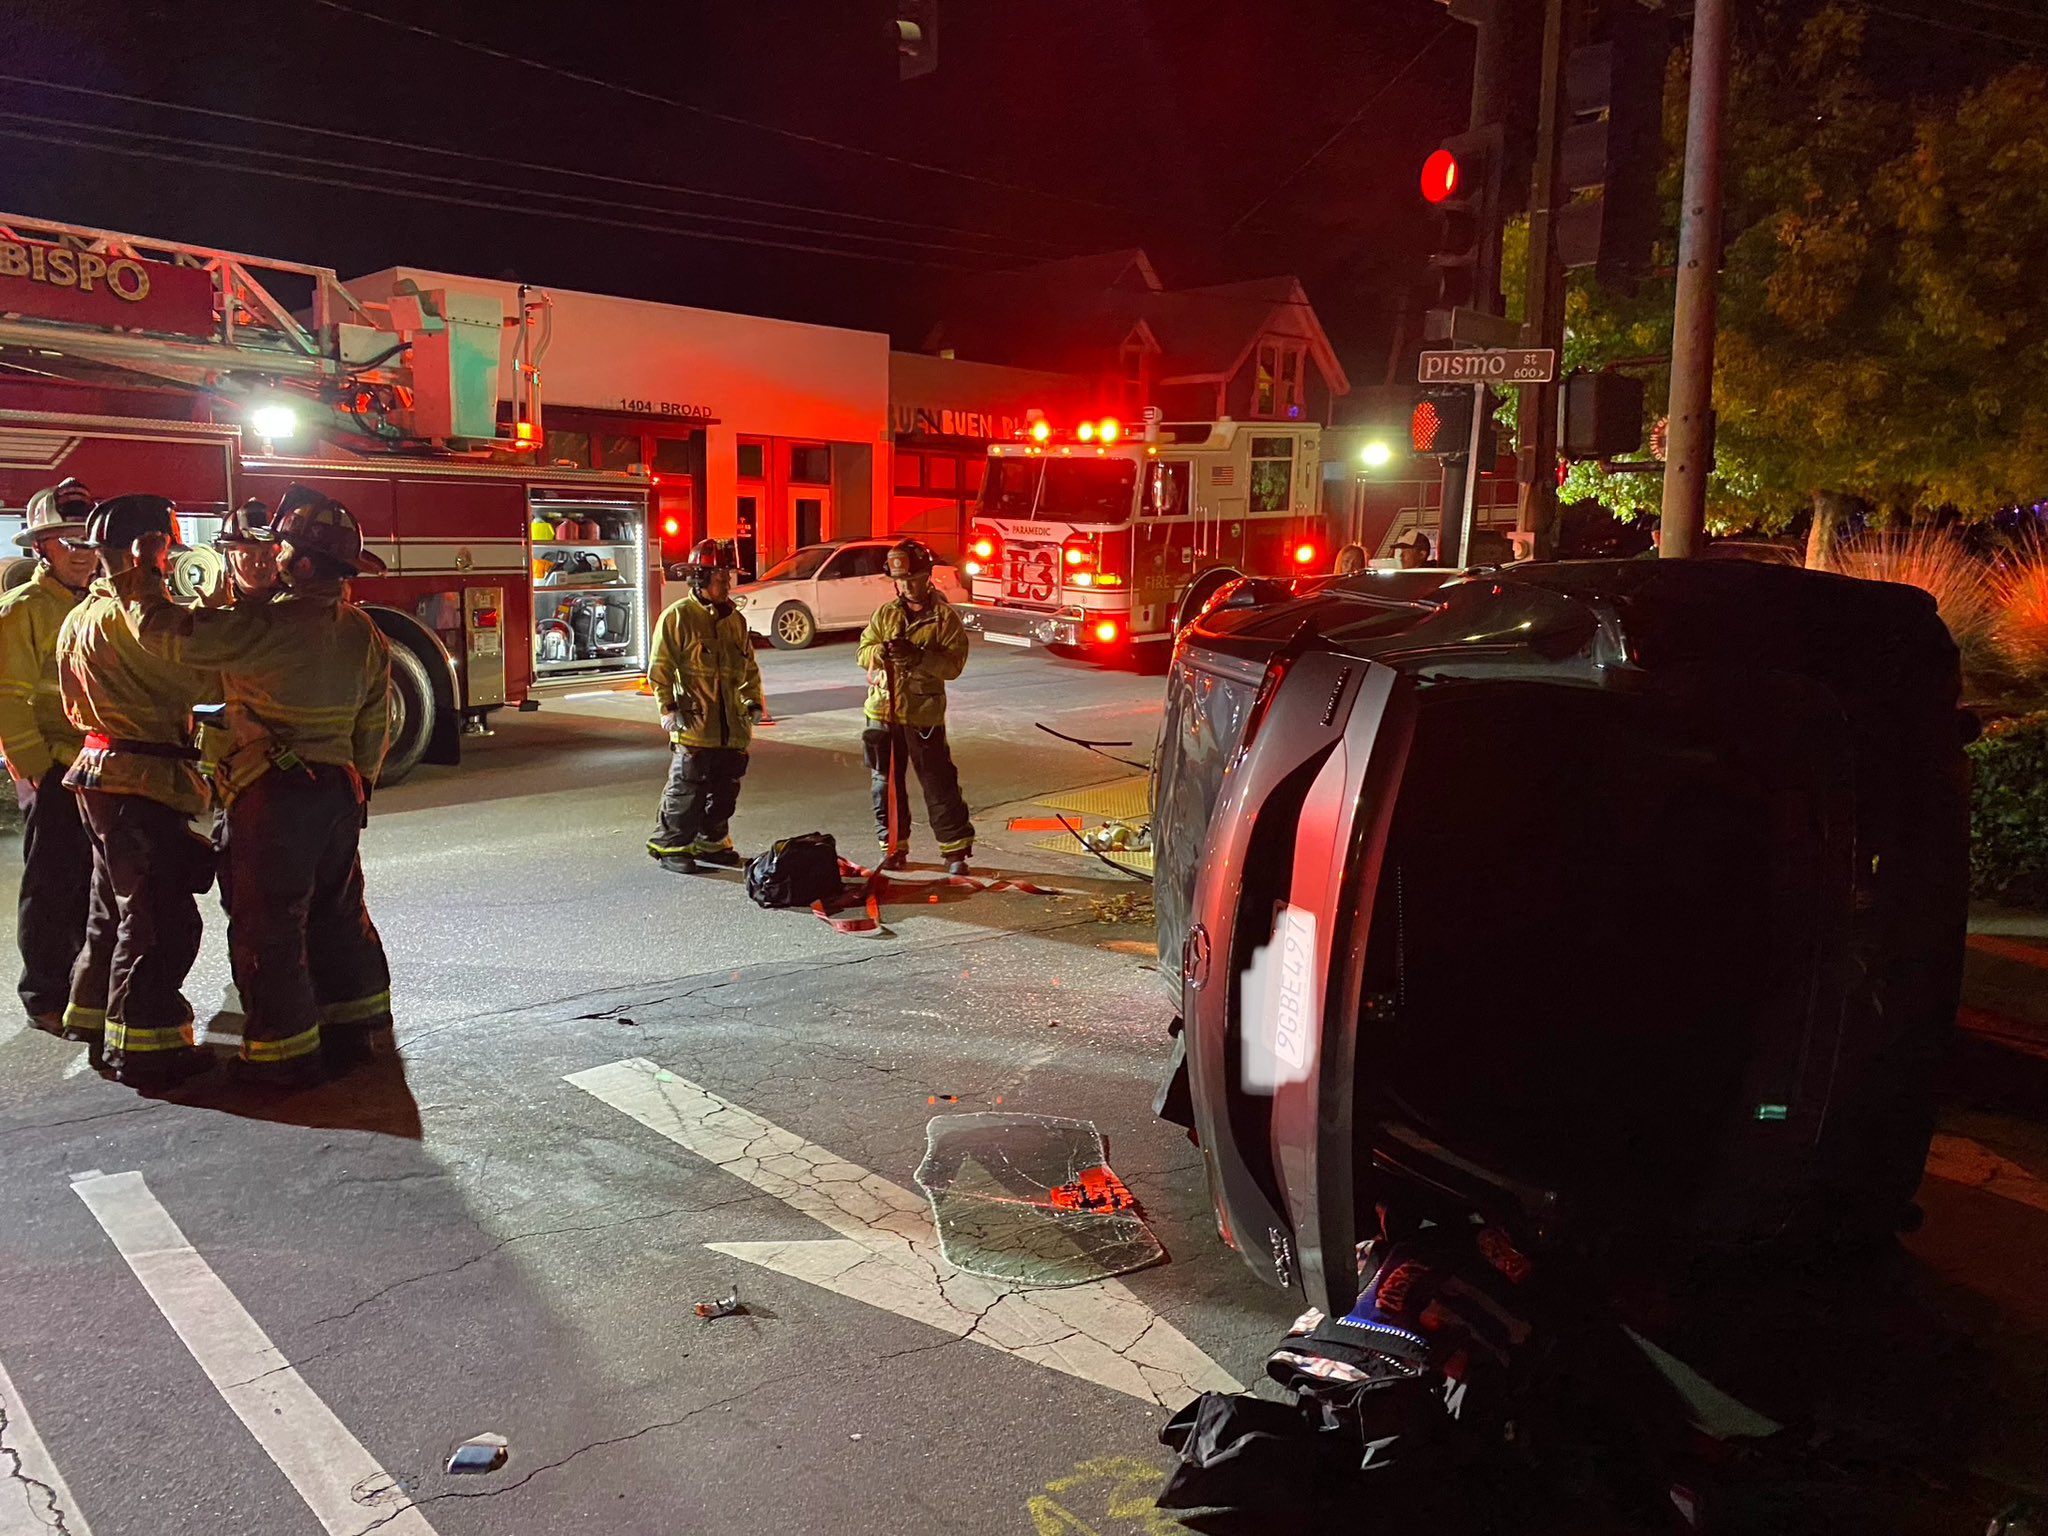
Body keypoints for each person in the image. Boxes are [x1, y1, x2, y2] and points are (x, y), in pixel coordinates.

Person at [117, 485, 394, 1087]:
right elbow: (376, 719)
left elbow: (164, 632)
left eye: (282, 550)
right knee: (338, 915)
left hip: (275, 797)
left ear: (301, 562)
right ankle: (355, 1028)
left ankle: (281, 1056)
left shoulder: (262, 623)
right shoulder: (361, 630)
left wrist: (140, 573)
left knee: (268, 925)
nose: (272, 558)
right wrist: (360, 784)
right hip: (340, 793)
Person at [57, 495, 219, 1085]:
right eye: (166, 546)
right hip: (139, 780)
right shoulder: (129, 619)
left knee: (112, 912)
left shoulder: (80, 614)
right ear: (144, 549)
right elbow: (200, 674)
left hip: (98, 777)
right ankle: (147, 1049)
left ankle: (94, 1015)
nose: (172, 556)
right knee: (160, 921)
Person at [0, 478, 97, 1036]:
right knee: (53, 884)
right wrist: (39, 770)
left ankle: (84, 986)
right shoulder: (22, 611)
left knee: (95, 885)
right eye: (69, 543)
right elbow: (8, 701)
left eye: (89, 543)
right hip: (56, 768)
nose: (84, 555)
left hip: (97, 764)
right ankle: (44, 994)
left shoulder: (98, 606)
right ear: (41, 547)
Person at [646, 539, 764, 873]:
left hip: (731, 725)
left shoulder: (735, 621)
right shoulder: (678, 618)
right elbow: (660, 669)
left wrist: (752, 701)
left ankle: (711, 841)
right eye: (719, 576)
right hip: (695, 723)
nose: (727, 583)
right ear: (699, 578)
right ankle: (671, 845)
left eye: (728, 576)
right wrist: (667, 709)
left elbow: (748, 668)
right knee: (688, 787)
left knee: (725, 788)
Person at [858, 539, 974, 876]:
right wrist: (879, 653)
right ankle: (893, 849)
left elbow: (953, 666)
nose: (907, 586)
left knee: (938, 782)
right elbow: (863, 650)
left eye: (913, 578)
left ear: (927, 577)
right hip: (882, 712)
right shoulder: (885, 614)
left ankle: (955, 852)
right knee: (885, 785)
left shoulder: (945, 619)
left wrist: (919, 658)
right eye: (900, 580)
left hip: (923, 715)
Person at [211, 499, 282, 606]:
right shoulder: (208, 605)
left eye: (266, 554)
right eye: (249, 555)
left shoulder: (295, 605)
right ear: (231, 557)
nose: (260, 564)